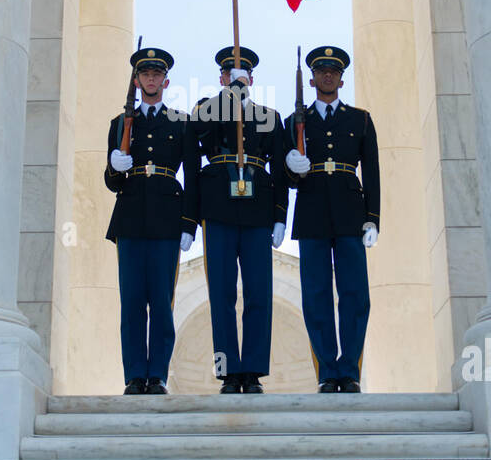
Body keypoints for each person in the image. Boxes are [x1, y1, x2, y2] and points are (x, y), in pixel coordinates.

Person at [184, 47, 288, 393]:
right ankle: (227, 371)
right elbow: (191, 138)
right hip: (218, 210)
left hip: (258, 209)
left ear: (253, 80)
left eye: (242, 76)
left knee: (259, 293)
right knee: (221, 294)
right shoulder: (208, 110)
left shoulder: (269, 116)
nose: (237, 79)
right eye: (230, 75)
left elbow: (281, 172)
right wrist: (227, 99)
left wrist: (279, 216)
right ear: (222, 78)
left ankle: (254, 370)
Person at [283, 46, 379, 393]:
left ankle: (349, 369)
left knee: (355, 293)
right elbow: (286, 175)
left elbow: (372, 172)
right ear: (311, 79)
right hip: (311, 212)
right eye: (321, 70)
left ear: (341, 78)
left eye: (333, 71)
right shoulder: (294, 121)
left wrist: (373, 218)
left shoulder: (360, 119)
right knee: (316, 294)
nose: (327, 76)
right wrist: (292, 170)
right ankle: (326, 369)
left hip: (351, 212)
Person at [105, 47, 195, 395]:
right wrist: (116, 165)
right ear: (137, 80)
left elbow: (192, 178)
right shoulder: (120, 124)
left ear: (166, 80)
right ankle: (133, 376)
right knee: (131, 301)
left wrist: (188, 224)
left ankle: (156, 373)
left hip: (167, 220)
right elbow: (112, 183)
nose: (152, 78)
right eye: (145, 74)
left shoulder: (180, 122)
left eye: (157, 74)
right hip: (129, 218)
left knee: (160, 300)